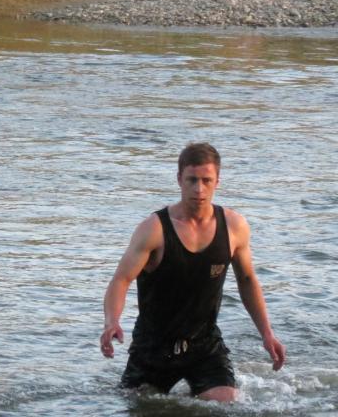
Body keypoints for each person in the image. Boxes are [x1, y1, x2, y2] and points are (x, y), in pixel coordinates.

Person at [100, 143, 285, 402]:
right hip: (153, 348)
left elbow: (247, 280)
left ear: (217, 181)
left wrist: (267, 333)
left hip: (204, 346)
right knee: (141, 404)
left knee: (225, 402)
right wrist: (112, 322)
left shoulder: (234, 226)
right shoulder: (154, 229)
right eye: (192, 180)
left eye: (206, 180)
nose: (199, 189)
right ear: (179, 179)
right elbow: (121, 280)